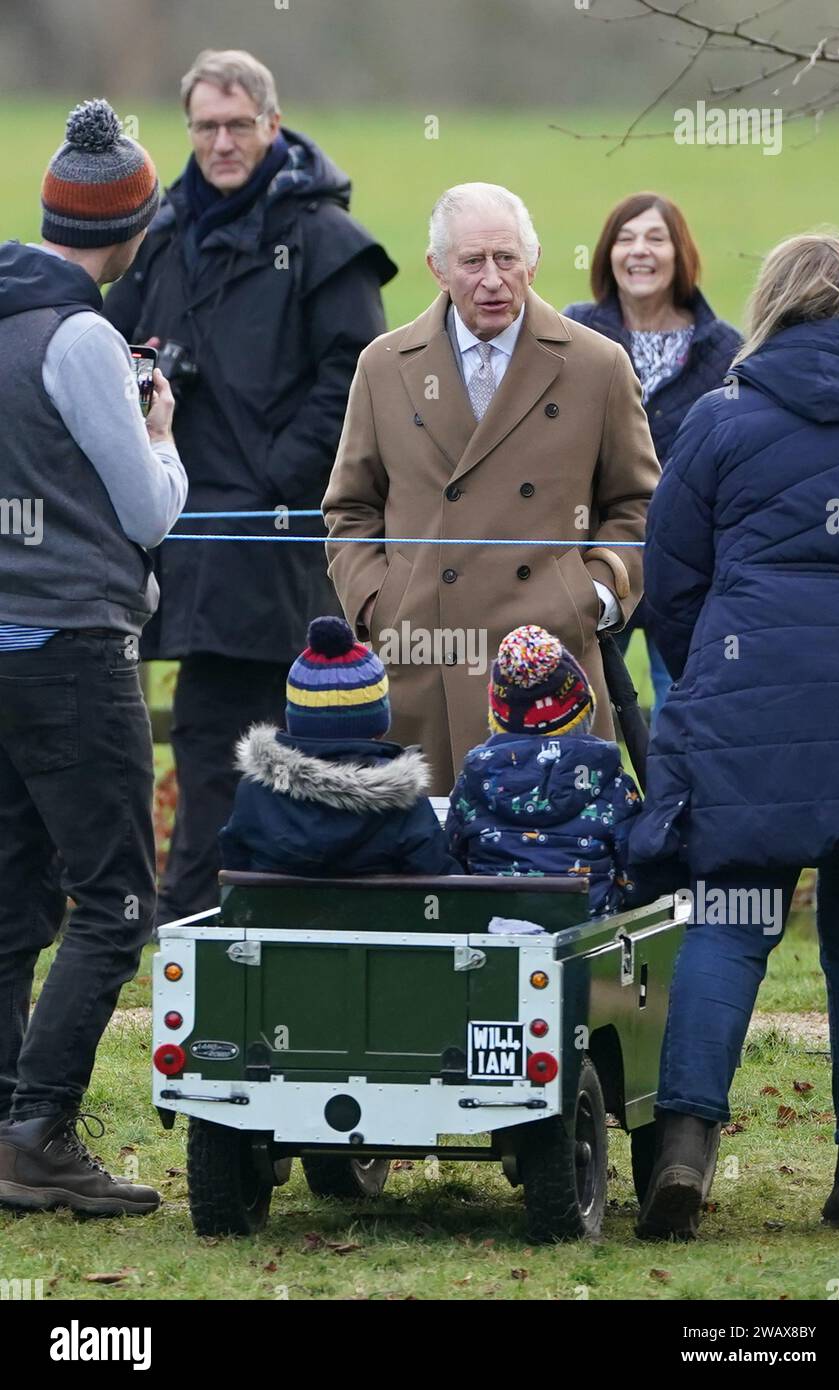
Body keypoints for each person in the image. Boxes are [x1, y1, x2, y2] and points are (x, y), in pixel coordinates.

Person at [104, 49, 397, 928]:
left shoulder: (322, 242)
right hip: (187, 530)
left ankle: (310, 921)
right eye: (206, 127)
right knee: (201, 744)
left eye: (238, 125)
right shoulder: (159, 238)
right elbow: (106, 350)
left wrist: (280, 474)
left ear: (273, 125)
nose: (222, 143)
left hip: (280, 540)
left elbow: (357, 374)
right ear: (187, 132)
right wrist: (149, 382)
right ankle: (194, 929)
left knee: (305, 744)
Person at [628, 233, 839, 1240]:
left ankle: (682, 1149)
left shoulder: (719, 418)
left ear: (766, 304)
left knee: (725, 924)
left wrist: (714, 679)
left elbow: (667, 583)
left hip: (747, 710)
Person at [0, 100, 187, 1214]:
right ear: (134, 228)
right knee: (115, 900)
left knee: (11, 901)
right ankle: (39, 1131)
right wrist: (158, 426)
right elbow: (150, 511)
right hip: (71, 647)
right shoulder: (81, 337)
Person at [323, 182, 659, 795]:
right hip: (421, 663)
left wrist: (594, 596)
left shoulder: (597, 365)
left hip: (550, 668)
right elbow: (351, 507)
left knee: (546, 875)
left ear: (532, 263)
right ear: (438, 269)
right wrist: (379, 602)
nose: (493, 280)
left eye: (507, 259)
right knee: (424, 869)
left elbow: (637, 505)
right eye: (473, 262)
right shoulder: (384, 364)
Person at [563, 193, 740, 728]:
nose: (639, 251)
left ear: (680, 254)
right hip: (592, 560)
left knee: (681, 716)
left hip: (689, 567)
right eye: (625, 238)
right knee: (576, 714)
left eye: (655, 238)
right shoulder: (571, 334)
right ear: (606, 254)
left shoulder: (725, 348)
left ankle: (669, 812)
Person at [219, 616, 457, 876]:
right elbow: (439, 882)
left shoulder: (258, 791)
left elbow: (235, 870)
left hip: (269, 916)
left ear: (294, 718)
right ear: (379, 723)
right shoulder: (402, 802)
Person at [446, 625, 640, 914]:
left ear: (498, 716)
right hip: (591, 941)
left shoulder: (471, 783)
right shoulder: (613, 783)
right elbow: (635, 877)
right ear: (584, 710)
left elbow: (453, 862)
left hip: (490, 938)